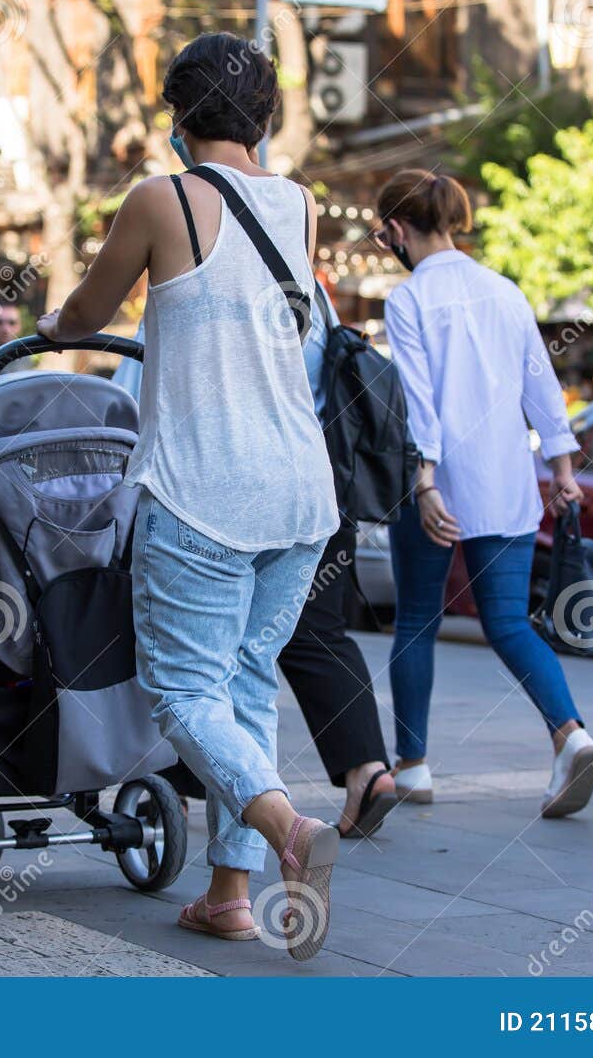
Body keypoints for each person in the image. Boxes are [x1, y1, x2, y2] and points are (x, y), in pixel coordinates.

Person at [37, 32, 341, 961]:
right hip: (300, 494)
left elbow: (87, 313)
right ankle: (228, 894)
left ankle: (289, 828)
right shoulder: (301, 204)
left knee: (180, 691)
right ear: (267, 115)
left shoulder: (160, 199)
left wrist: (52, 326)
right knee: (245, 682)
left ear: (179, 114)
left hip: (203, 487)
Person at [378, 168, 593, 820]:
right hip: (505, 481)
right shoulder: (505, 291)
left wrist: (424, 478)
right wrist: (563, 467)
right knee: (507, 622)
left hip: (435, 486)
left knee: (416, 620)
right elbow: (542, 385)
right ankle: (571, 734)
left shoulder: (409, 299)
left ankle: (413, 766)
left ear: (396, 229)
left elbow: (418, 397)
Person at [119, 319, 397, 839]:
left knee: (191, 679)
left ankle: (274, 823)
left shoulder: (188, 282)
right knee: (283, 653)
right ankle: (364, 770)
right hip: (316, 484)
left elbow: (129, 399)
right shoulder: (306, 287)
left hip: (216, 490)